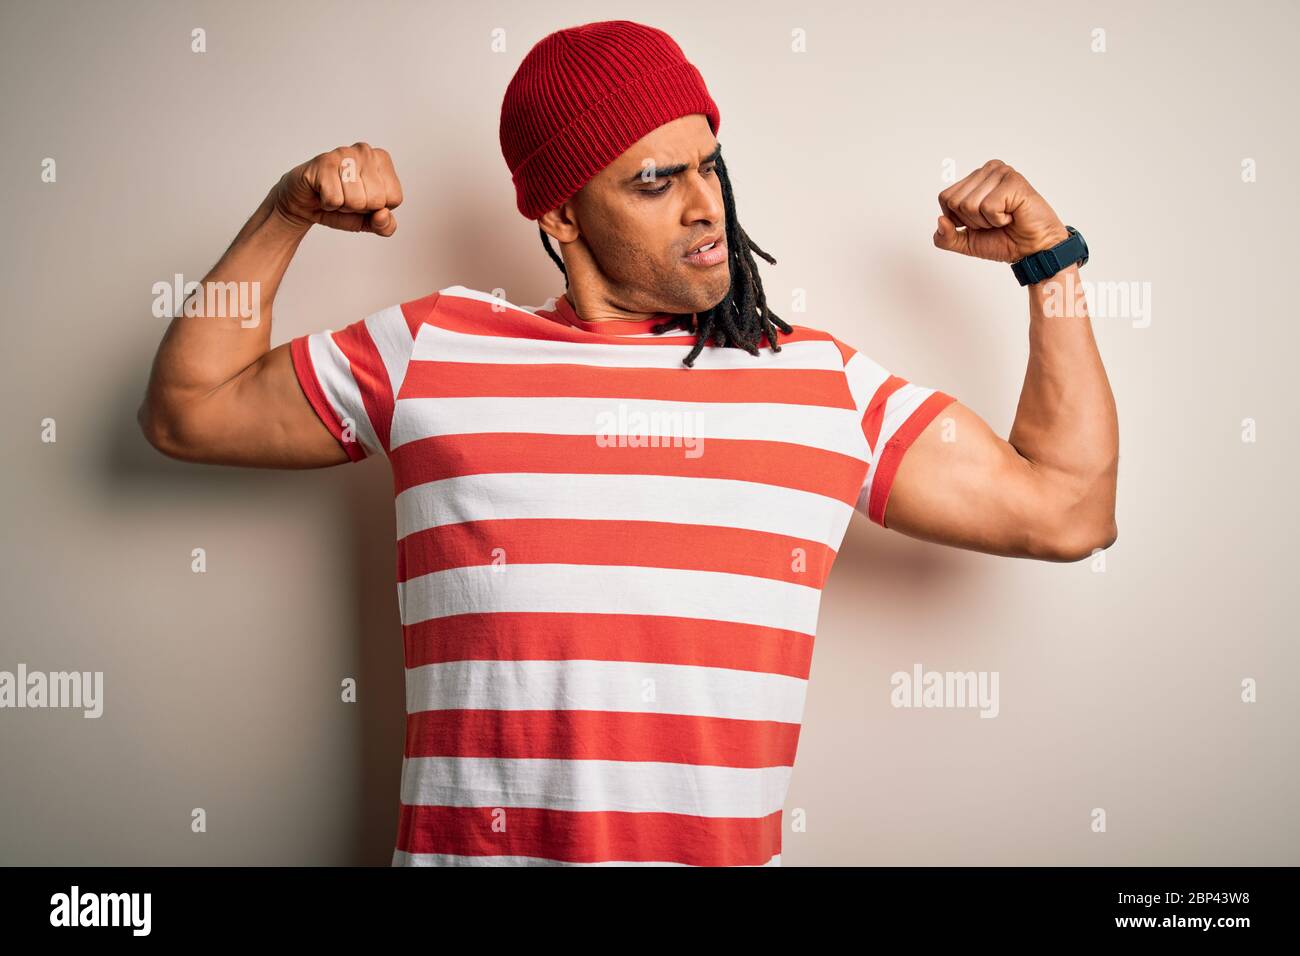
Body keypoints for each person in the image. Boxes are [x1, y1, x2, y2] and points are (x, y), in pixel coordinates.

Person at [138, 20, 1118, 866]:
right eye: (656, 180)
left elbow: (1068, 509)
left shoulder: (816, 385)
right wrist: (288, 211)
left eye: (709, 166)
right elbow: (189, 408)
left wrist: (1050, 263)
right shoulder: (433, 348)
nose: (706, 207)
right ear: (560, 213)